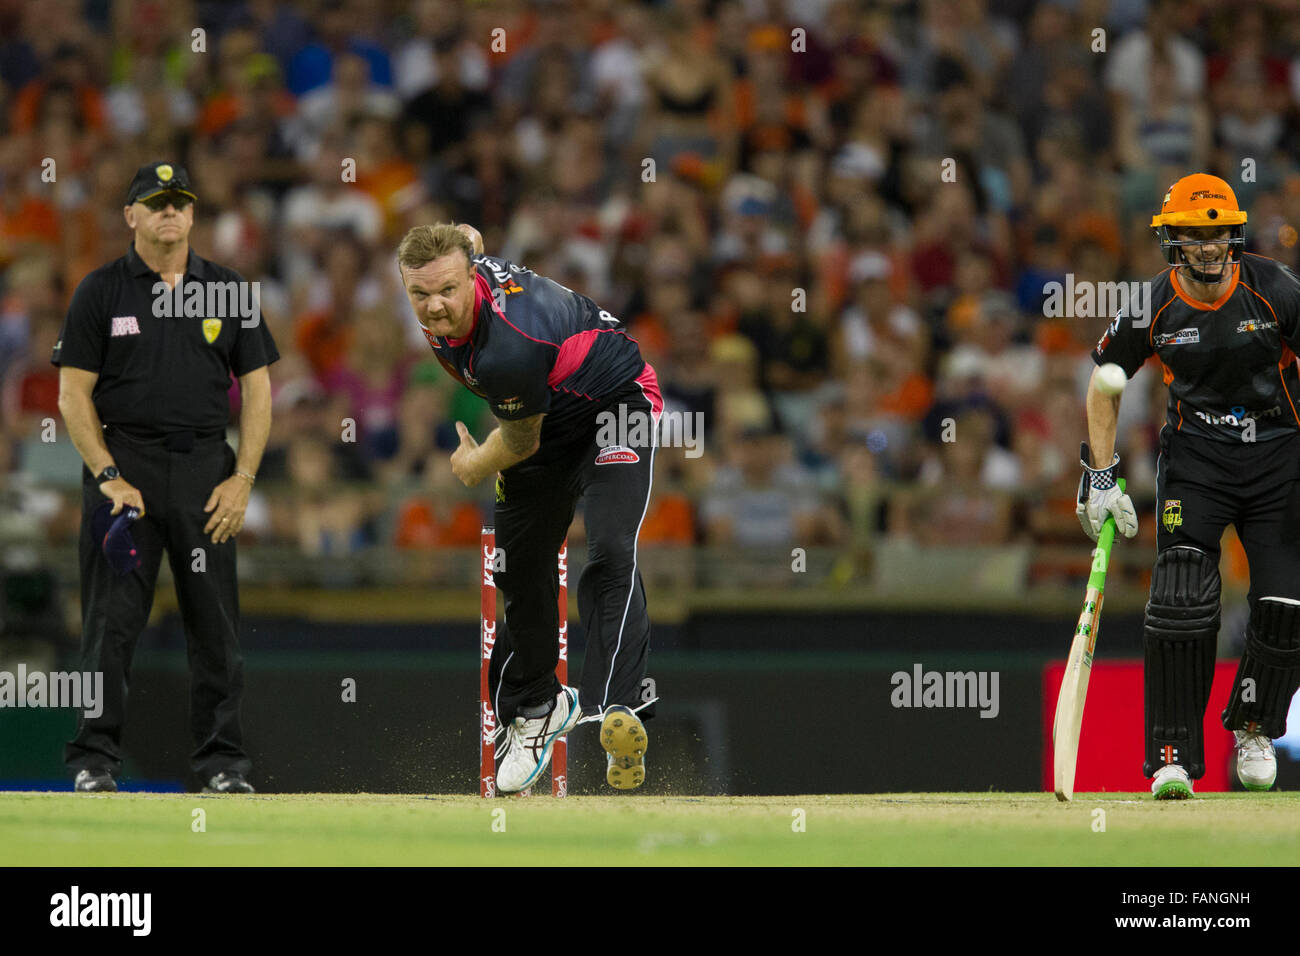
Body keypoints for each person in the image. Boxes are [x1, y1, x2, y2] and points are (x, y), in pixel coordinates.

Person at [397, 222, 657, 792]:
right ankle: (540, 707)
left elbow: (517, 443)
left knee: (612, 546)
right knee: (519, 568)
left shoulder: (507, 349)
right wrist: (464, 238)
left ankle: (616, 707)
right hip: (543, 415)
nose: (435, 307)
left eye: (447, 290)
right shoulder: (461, 268)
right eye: (421, 294)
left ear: (471, 279)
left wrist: (472, 465)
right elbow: (469, 235)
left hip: (614, 404)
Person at [52, 162, 279, 793]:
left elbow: (259, 393)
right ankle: (94, 762)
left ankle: (222, 766)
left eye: (179, 202)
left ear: (193, 214)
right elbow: (73, 396)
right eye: (155, 204)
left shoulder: (229, 290)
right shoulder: (100, 292)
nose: (169, 212)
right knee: (111, 622)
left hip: (207, 468)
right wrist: (106, 475)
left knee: (215, 624)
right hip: (125, 468)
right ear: (131, 217)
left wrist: (243, 479)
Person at [1081, 173, 1300, 799]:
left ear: (1233, 236)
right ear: (1171, 239)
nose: (1206, 247)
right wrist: (1099, 477)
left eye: (1216, 234)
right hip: (1198, 460)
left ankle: (1254, 728)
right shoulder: (1152, 305)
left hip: (1280, 455)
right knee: (1180, 596)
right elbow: (1105, 382)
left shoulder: (1276, 289)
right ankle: (1172, 755)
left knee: (1288, 606)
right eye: (1192, 235)